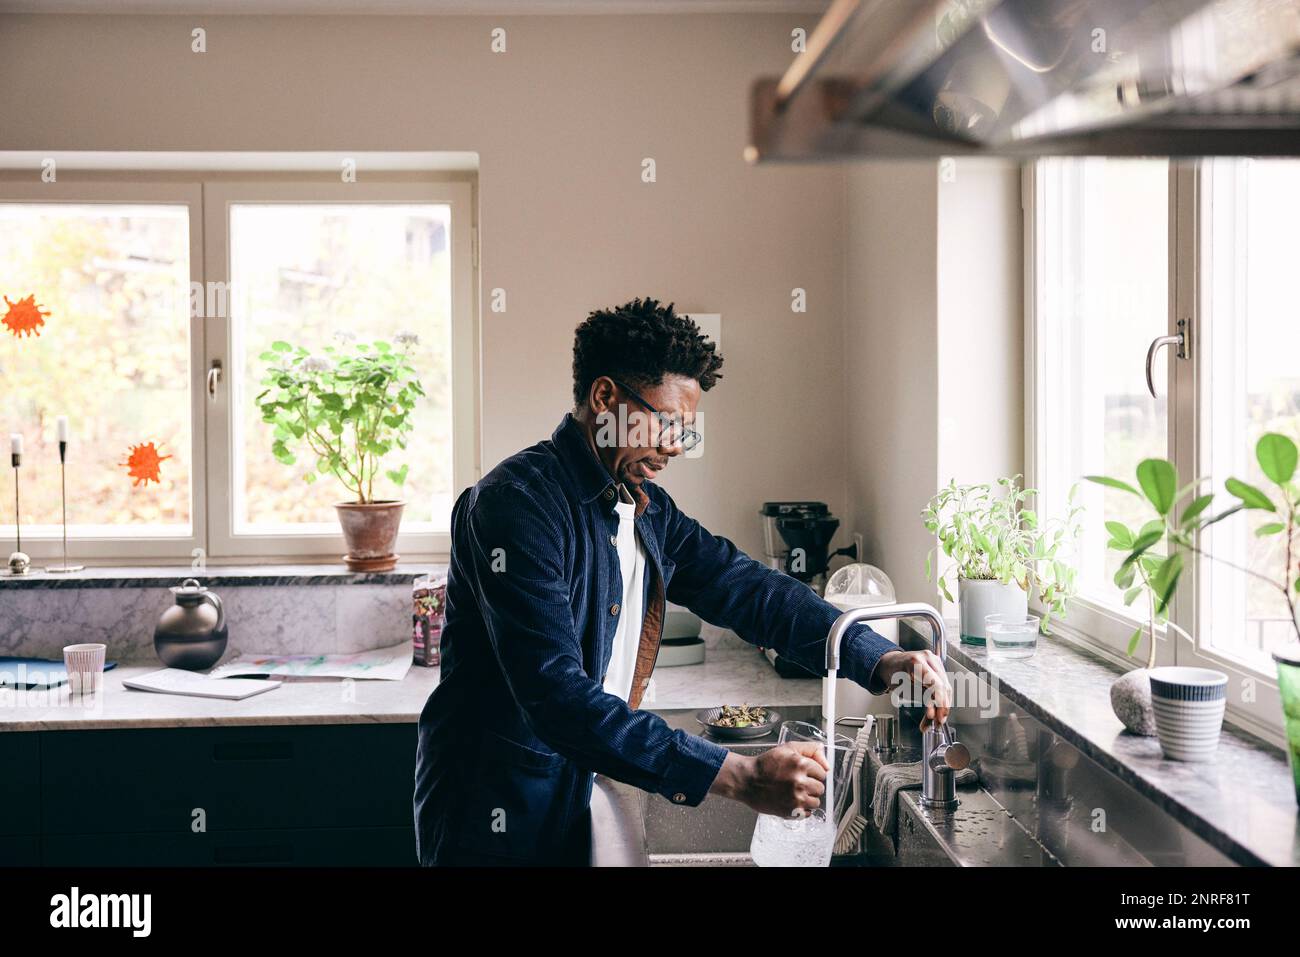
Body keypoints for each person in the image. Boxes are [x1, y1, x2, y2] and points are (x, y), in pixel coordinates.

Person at [414, 297, 951, 866]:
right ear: (605, 398)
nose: (675, 446)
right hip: (496, 811)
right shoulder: (516, 506)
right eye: (667, 423)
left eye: (686, 431)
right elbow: (557, 697)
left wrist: (879, 658)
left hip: (580, 788)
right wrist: (739, 775)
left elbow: (747, 588)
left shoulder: (645, 508)